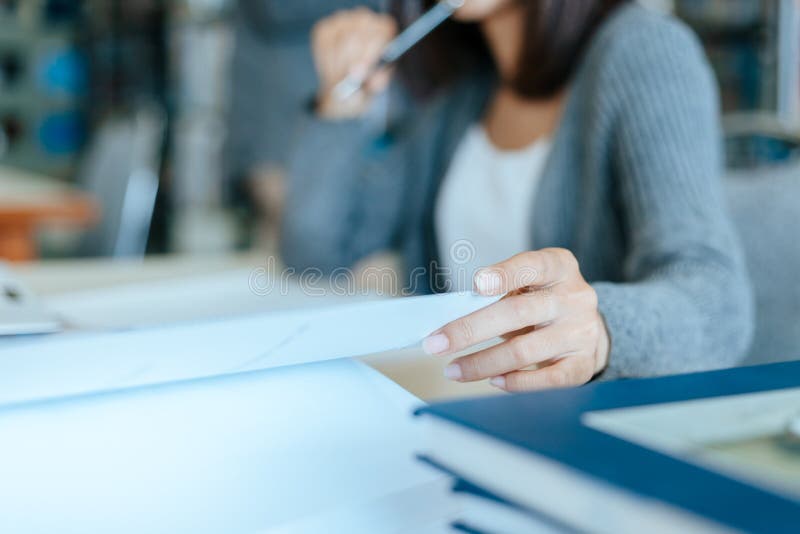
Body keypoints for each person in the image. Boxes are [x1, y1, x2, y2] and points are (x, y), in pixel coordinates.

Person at [280, 0, 754, 391]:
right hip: (464, 429)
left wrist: (602, 331)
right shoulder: (460, 100)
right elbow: (316, 254)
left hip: (589, 452)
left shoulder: (644, 50)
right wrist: (339, 105)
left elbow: (718, 303)